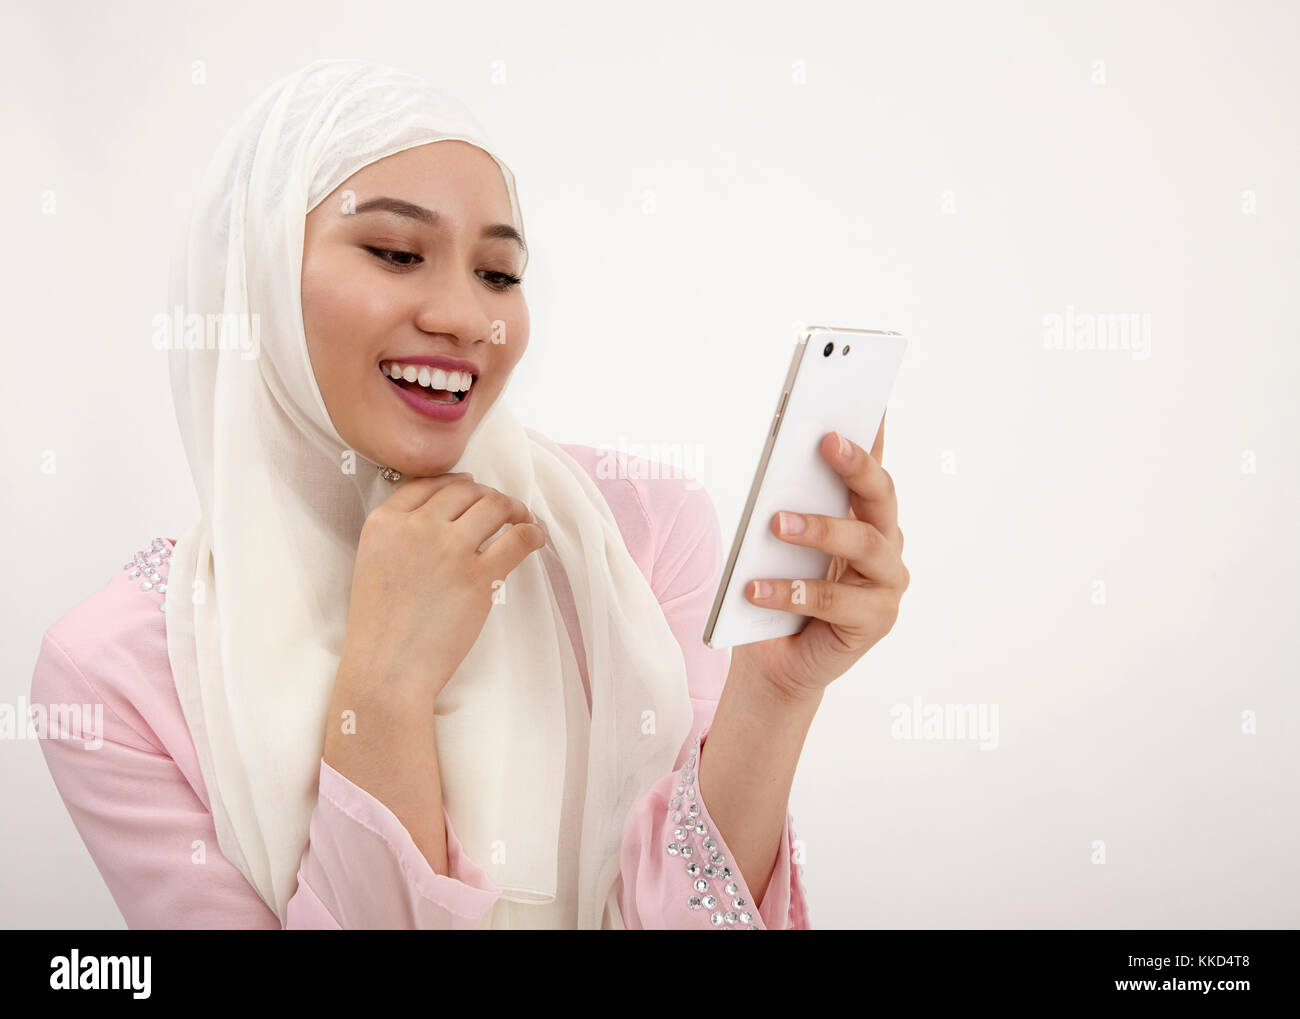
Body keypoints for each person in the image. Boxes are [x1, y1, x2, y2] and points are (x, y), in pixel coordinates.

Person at [29, 58, 908, 929]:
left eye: (497, 273)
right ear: (253, 279)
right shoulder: (116, 673)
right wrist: (381, 687)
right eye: (396, 252)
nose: (466, 315)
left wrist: (774, 695)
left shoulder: (637, 528)